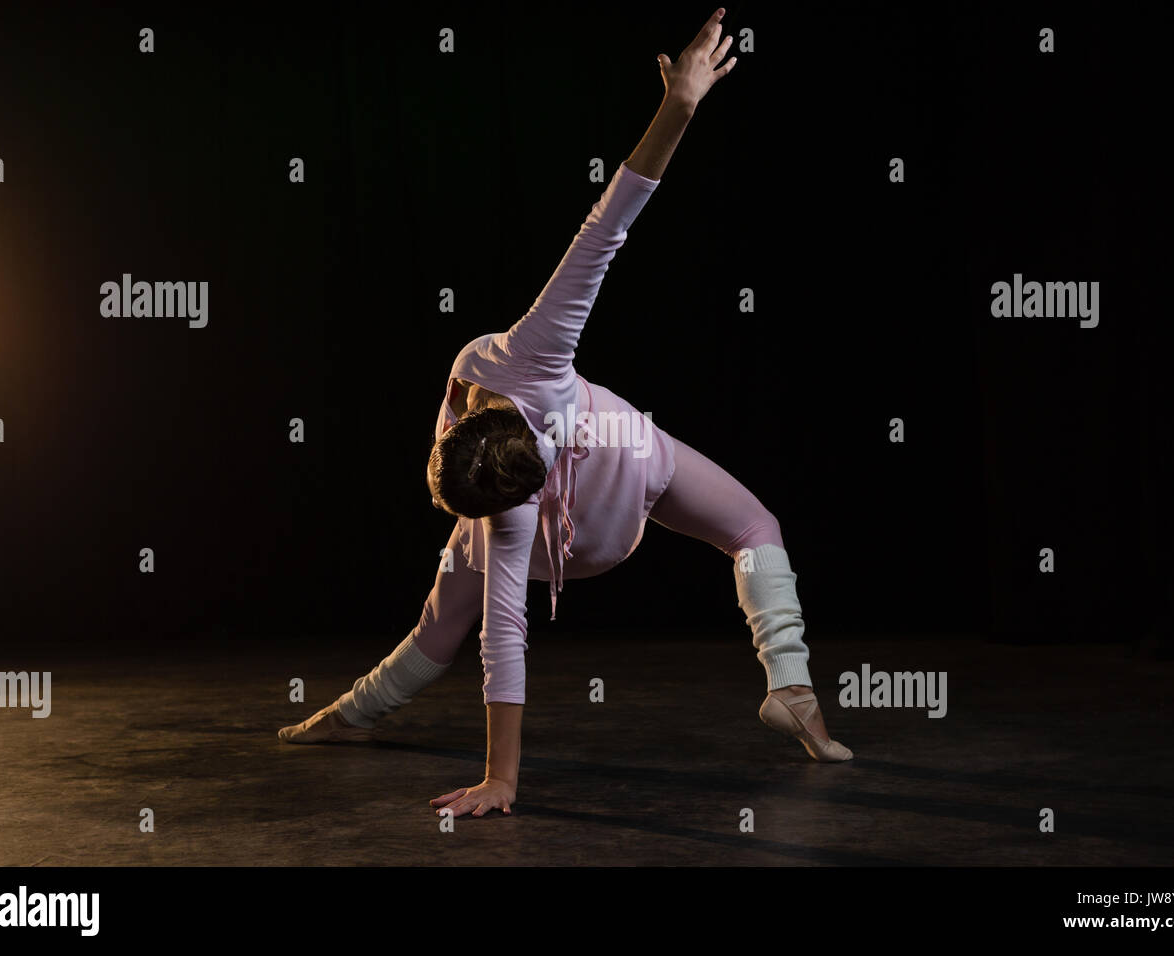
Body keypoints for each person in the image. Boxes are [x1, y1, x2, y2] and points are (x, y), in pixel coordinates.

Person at [278, 7, 852, 818]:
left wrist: (502, 782)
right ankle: (791, 689)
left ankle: (352, 713)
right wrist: (678, 108)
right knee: (756, 529)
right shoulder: (530, 354)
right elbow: (605, 226)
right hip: (633, 459)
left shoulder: (506, 503)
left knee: (445, 625)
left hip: (589, 518)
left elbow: (502, 642)